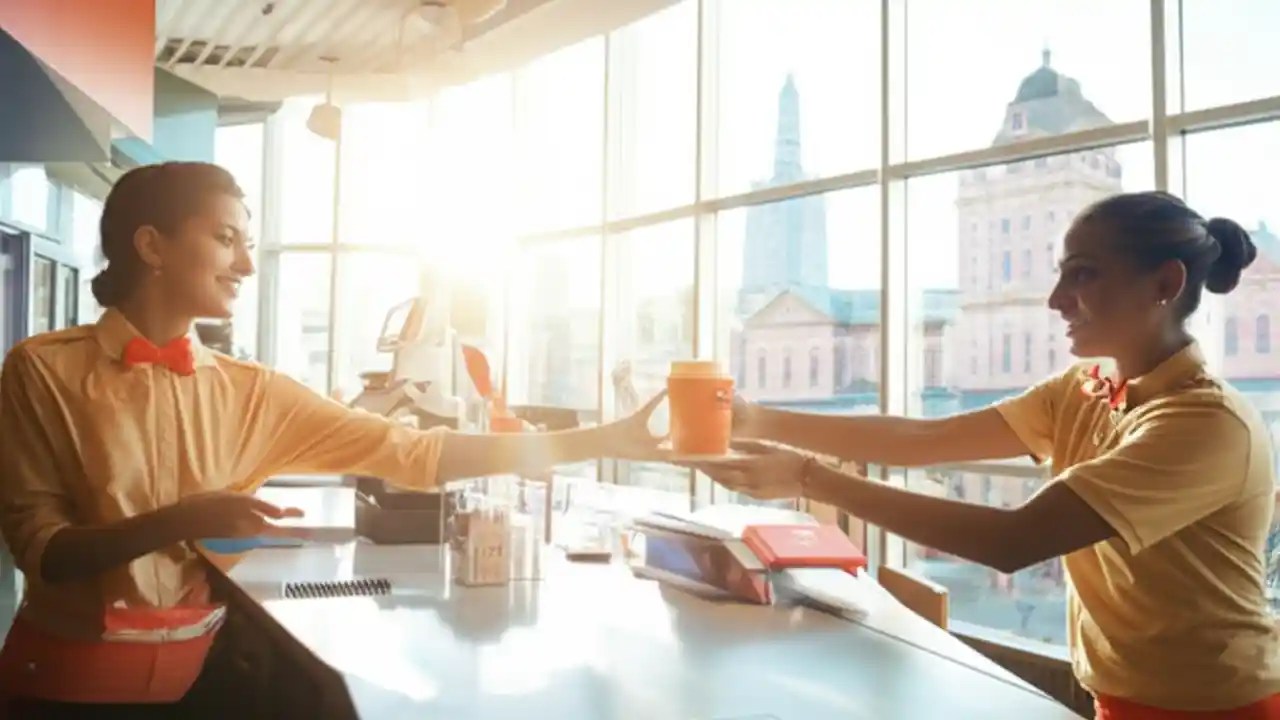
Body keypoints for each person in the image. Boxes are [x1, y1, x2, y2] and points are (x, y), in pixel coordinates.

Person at [0, 162, 665, 716]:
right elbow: (43, 552)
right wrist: (186, 519)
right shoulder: (42, 368)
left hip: (197, 686)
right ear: (152, 246)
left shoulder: (252, 390)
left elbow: (419, 454)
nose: (247, 266)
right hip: (62, 691)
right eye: (226, 239)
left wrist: (606, 439)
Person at [693, 192, 1280, 719]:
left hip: (1220, 708)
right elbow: (924, 441)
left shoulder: (1205, 423)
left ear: (1164, 284)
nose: (1055, 300)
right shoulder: (1084, 389)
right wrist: (759, 420)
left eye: (1083, 275)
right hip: (1122, 699)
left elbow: (1013, 540)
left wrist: (805, 476)